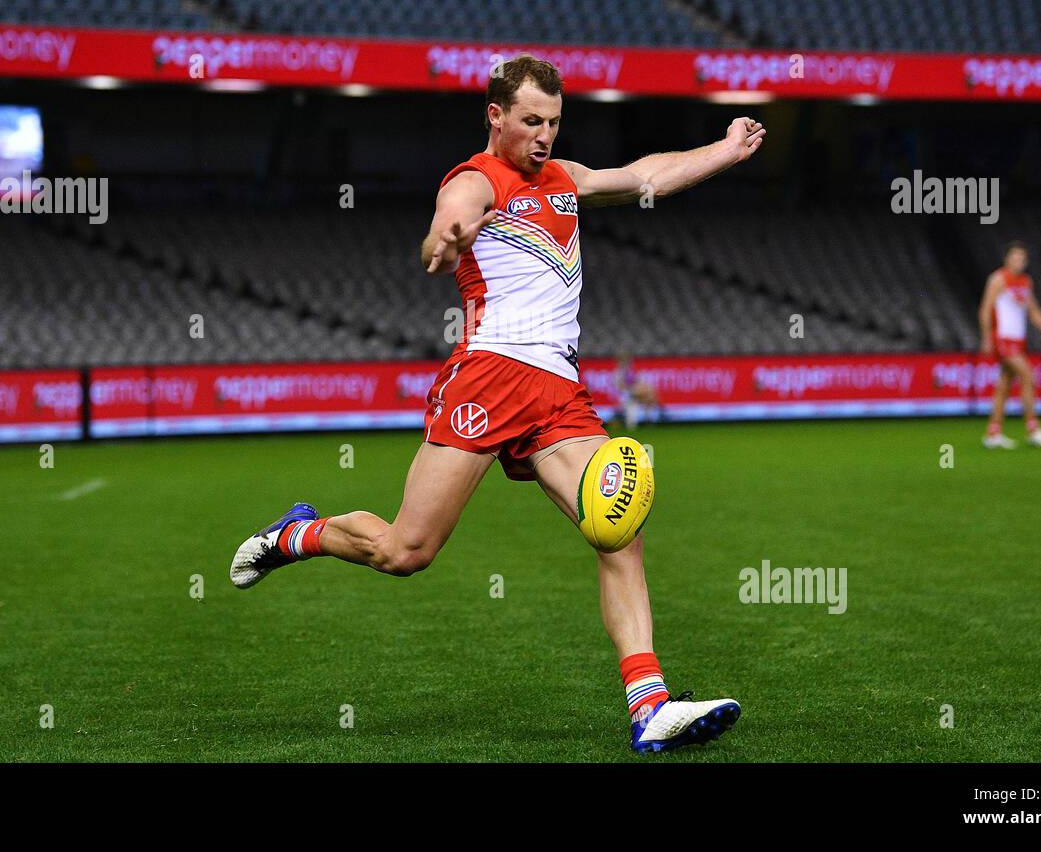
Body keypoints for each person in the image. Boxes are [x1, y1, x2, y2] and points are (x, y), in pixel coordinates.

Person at [230, 56, 766, 752]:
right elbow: (453, 216)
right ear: (496, 117)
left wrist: (726, 149)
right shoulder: (477, 179)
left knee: (617, 527)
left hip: (559, 394)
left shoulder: (565, 179)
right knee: (405, 551)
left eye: (554, 122)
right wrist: (442, 238)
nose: (544, 135)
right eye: (531, 122)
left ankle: (649, 705)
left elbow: (643, 175)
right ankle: (296, 534)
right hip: (489, 378)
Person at [978, 241, 1041, 449]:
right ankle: (1033, 429)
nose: (1019, 261)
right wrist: (986, 338)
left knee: (1004, 387)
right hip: (1002, 339)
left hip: (1018, 341)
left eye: (1022, 258)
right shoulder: (998, 280)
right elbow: (984, 309)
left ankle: (993, 433)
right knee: (1028, 375)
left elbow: (1034, 312)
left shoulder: (1026, 282)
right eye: (1015, 257)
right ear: (1006, 259)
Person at [612, 351, 662, 430]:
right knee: (647, 394)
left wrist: (637, 387)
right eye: (624, 360)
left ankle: (649, 418)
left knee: (648, 394)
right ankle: (651, 416)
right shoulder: (618, 372)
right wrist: (632, 388)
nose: (627, 362)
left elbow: (638, 381)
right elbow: (620, 386)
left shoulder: (630, 371)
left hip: (633, 393)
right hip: (625, 394)